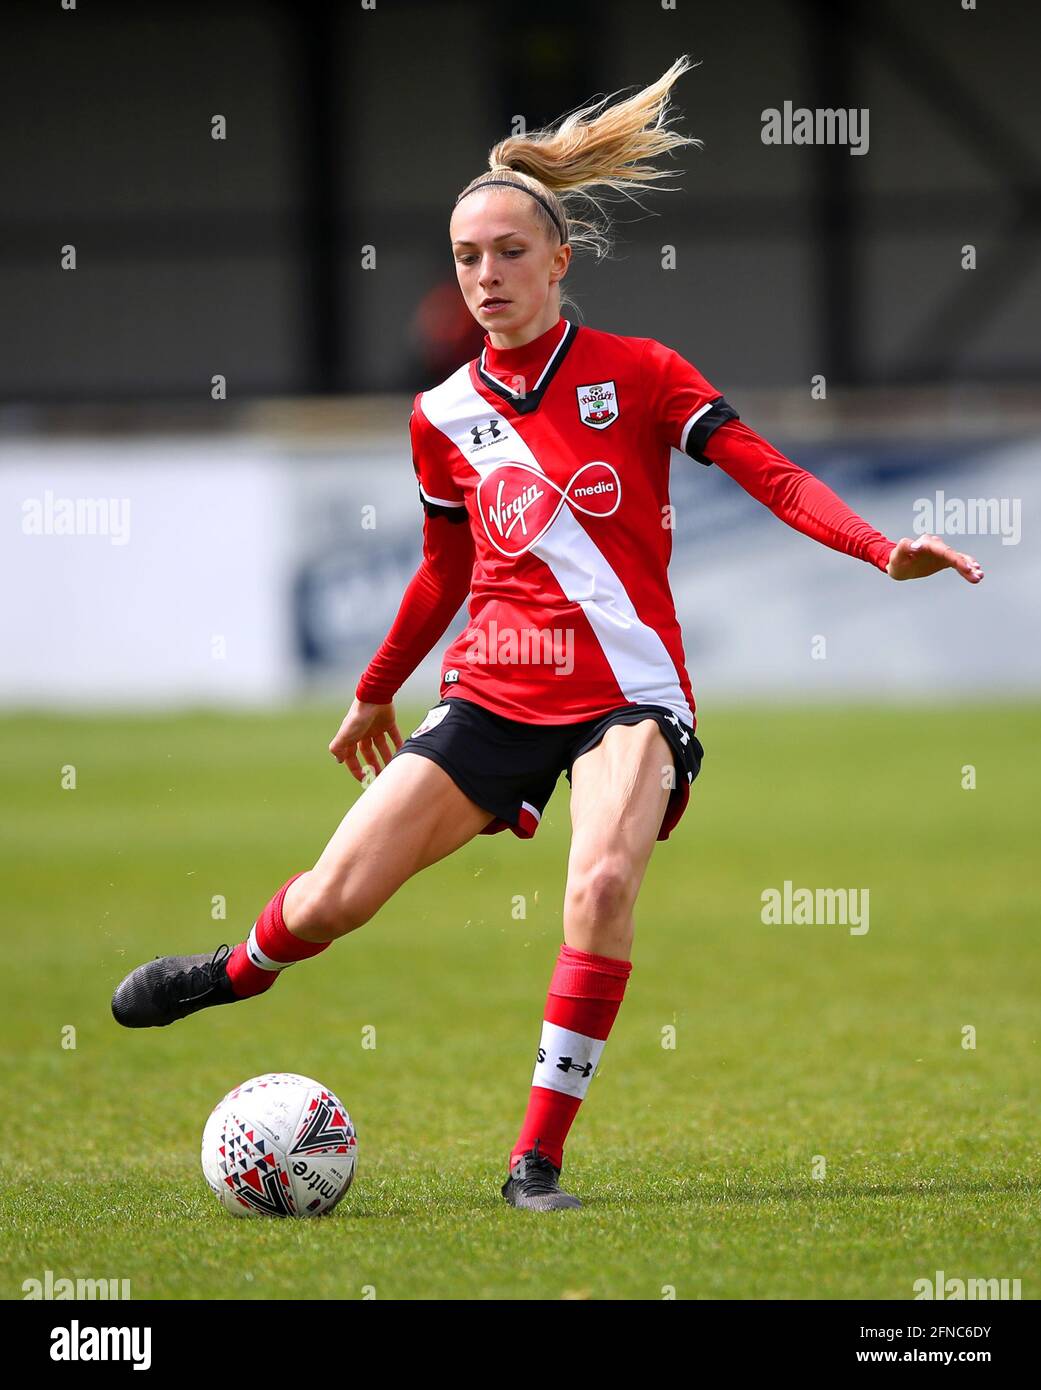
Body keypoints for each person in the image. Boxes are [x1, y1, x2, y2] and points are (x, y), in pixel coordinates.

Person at [111, 56, 984, 1212]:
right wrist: (377, 690)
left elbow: (767, 474)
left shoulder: (644, 372)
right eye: (467, 257)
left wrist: (883, 550)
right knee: (331, 901)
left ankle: (535, 1164)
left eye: (509, 252)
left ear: (560, 261)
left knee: (602, 882)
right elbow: (444, 570)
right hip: (490, 695)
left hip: (630, 692)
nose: (485, 275)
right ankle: (235, 973)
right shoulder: (443, 417)